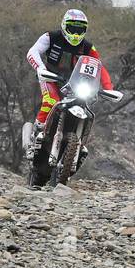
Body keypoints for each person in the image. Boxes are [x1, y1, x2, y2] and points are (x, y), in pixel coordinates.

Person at [24, 8, 115, 158]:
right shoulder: (51, 37)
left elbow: (99, 66)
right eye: (72, 28)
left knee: (85, 107)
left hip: (74, 83)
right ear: (65, 26)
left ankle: (80, 144)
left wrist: (108, 88)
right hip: (50, 77)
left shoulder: (87, 46)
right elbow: (33, 52)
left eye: (80, 30)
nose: (76, 34)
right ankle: (36, 135)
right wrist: (40, 68)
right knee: (51, 100)